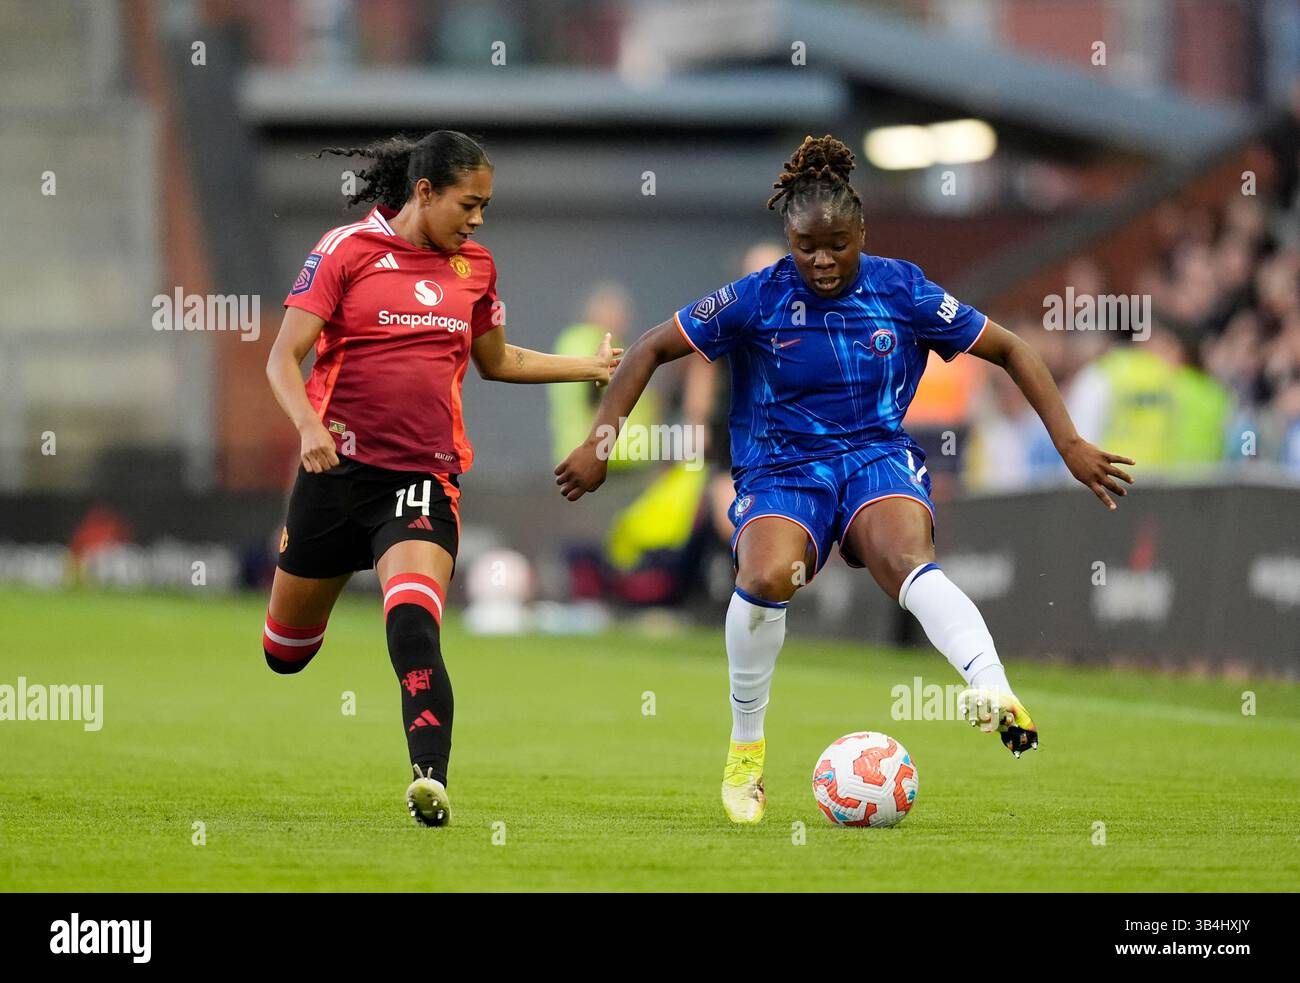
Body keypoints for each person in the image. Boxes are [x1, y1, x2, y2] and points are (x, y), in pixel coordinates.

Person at [555, 134, 1135, 824]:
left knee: (905, 558)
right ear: (787, 239)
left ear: (862, 230)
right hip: (781, 468)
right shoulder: (758, 297)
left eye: (837, 243)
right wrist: (601, 439)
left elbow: (1009, 348)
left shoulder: (903, 288)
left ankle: (991, 688)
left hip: (874, 457)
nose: (823, 260)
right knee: (768, 577)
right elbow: (650, 346)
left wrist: (1067, 442)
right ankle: (746, 752)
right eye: (807, 246)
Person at [263, 130, 619, 827]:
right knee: (286, 652)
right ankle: (301, 623)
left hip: (422, 478)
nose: (479, 219)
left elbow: (497, 359)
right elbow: (283, 357)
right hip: (334, 474)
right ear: (424, 192)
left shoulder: (475, 268)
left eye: (486, 206)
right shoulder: (345, 252)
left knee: (414, 620)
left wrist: (590, 367)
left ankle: (431, 778)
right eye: (470, 203)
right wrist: (308, 428)